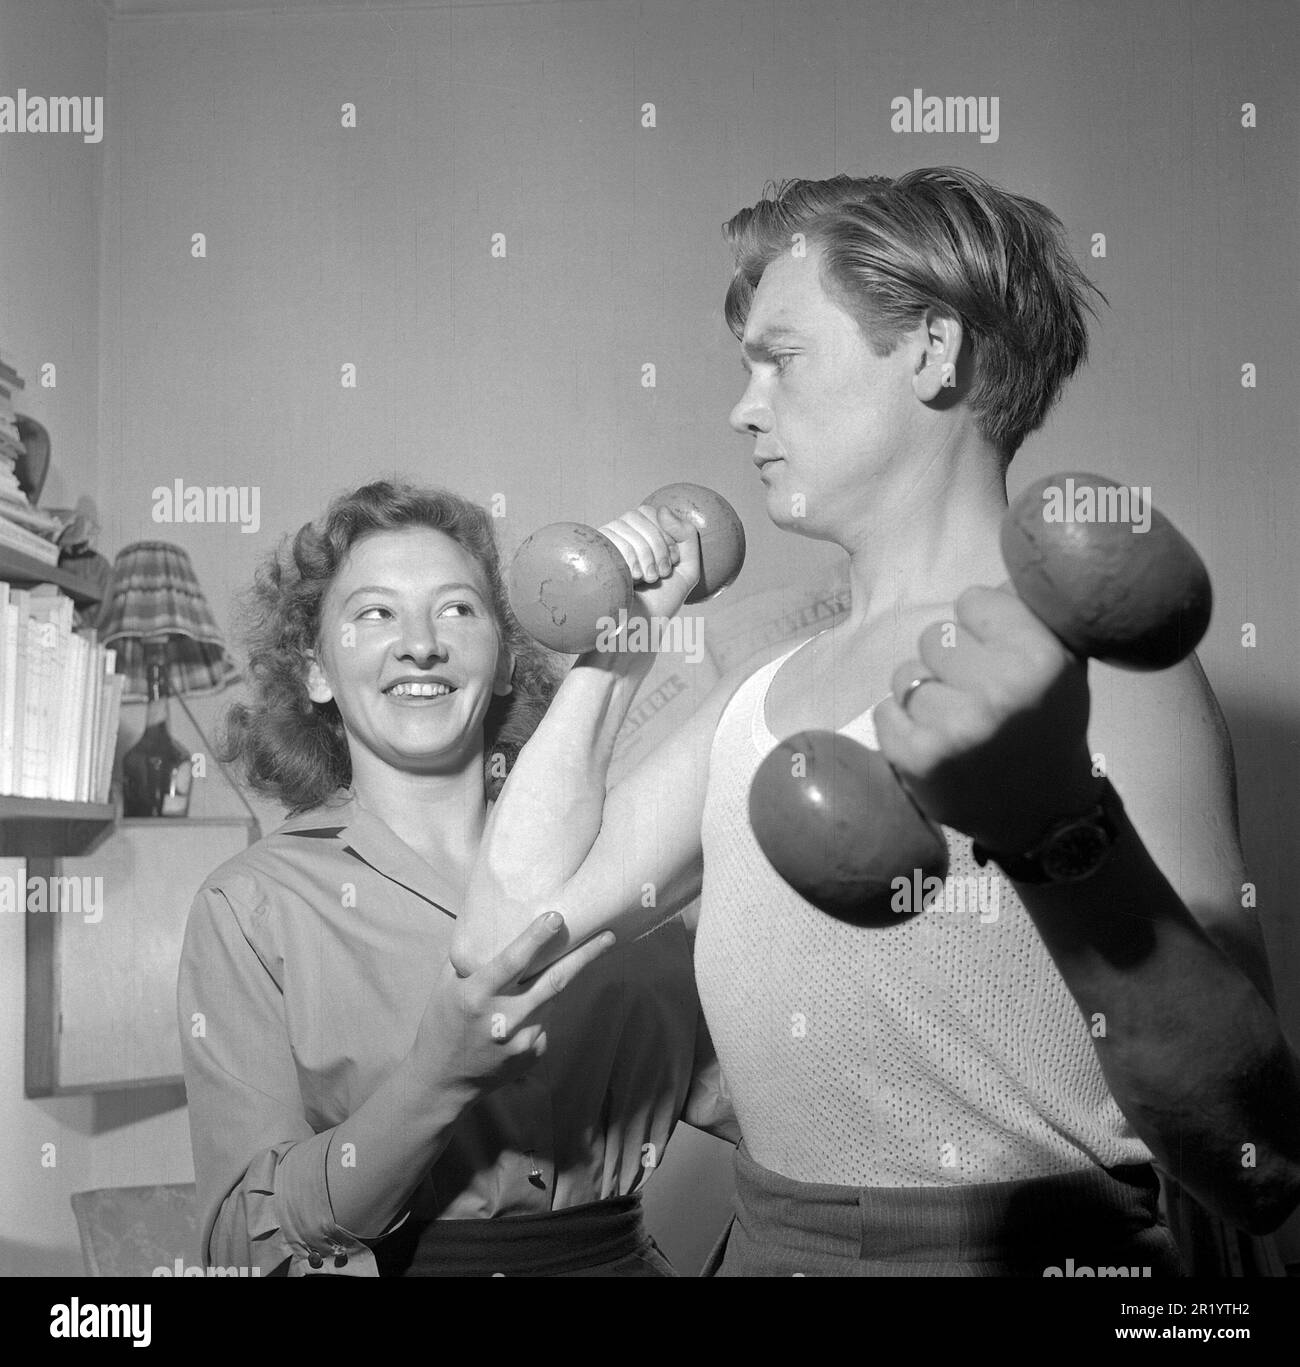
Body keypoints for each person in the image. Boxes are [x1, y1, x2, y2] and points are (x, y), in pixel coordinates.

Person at [453, 167, 1300, 1276]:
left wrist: (1056, 828)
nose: (741, 405)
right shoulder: (755, 691)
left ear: (932, 350)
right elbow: (505, 929)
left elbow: (1253, 1159)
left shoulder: (1090, 660)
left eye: (780, 356)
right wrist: (622, 642)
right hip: (770, 1247)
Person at [177, 479, 723, 1278]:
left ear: (505, 659)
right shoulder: (249, 906)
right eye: (374, 614)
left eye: (458, 609)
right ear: (317, 671)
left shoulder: (615, 863)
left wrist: (628, 631)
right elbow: (240, 1238)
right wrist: (437, 1077)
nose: (421, 644)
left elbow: (747, 1098)